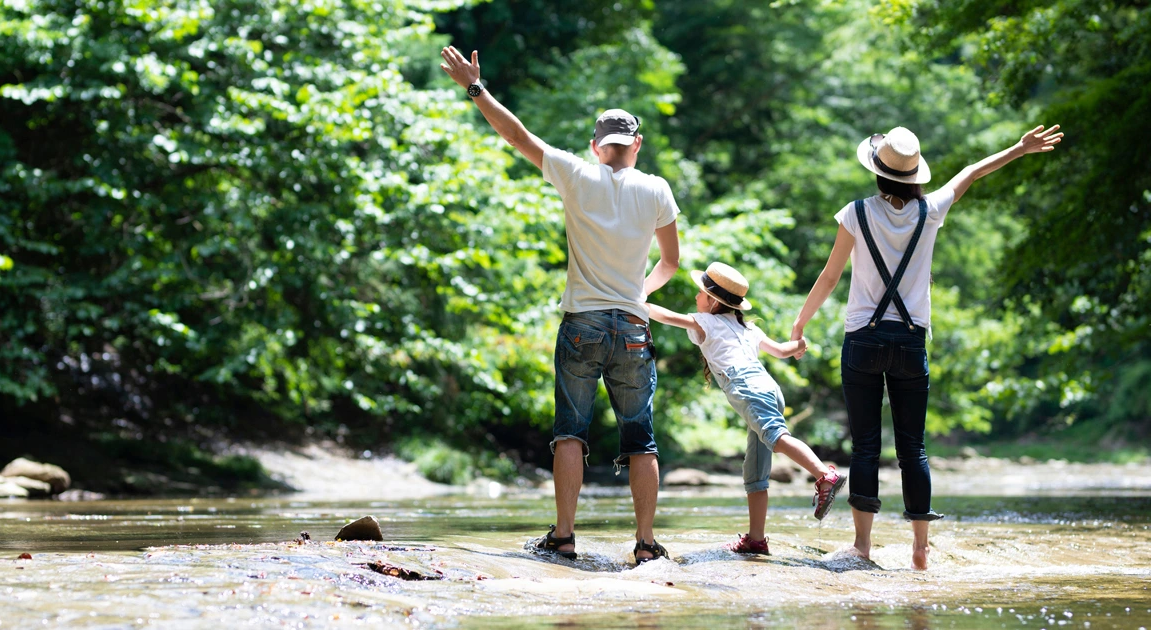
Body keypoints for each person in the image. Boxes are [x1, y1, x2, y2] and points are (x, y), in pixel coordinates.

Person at [440, 46, 681, 564]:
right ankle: (644, 543)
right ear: (635, 145)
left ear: (597, 146)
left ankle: (565, 536)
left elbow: (516, 136)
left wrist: (475, 88)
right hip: (634, 327)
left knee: (570, 430)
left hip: (581, 324)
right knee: (641, 437)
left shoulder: (574, 173)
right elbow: (672, 263)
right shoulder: (658, 189)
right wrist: (639, 294)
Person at [790, 124, 1064, 570]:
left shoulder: (855, 213)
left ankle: (862, 546)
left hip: (863, 338)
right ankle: (920, 548)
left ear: (877, 173)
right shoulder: (930, 210)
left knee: (864, 447)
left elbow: (829, 276)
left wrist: (800, 325)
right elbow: (971, 172)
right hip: (911, 341)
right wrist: (1020, 148)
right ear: (917, 176)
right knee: (912, 448)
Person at [646, 262, 847, 556]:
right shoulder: (747, 327)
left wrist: (637, 302)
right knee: (755, 472)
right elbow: (781, 350)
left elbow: (667, 316)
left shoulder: (707, 321)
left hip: (748, 389)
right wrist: (799, 344)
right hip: (768, 387)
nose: (696, 299)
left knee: (776, 436)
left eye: (700, 294)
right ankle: (756, 539)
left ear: (713, 301)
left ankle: (823, 474)